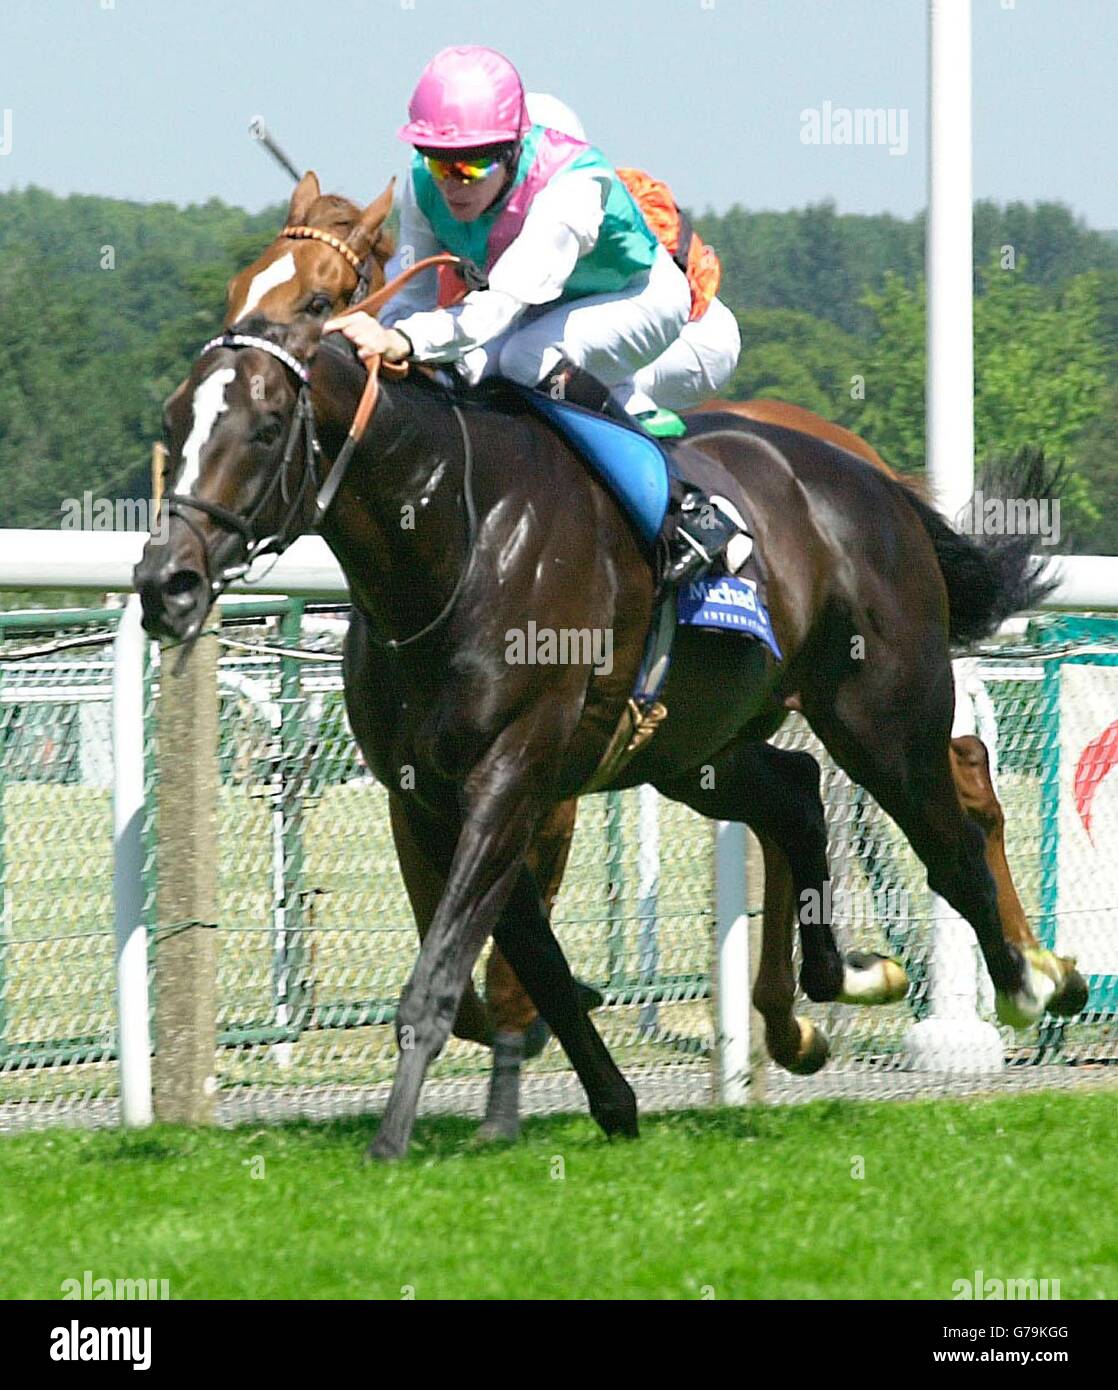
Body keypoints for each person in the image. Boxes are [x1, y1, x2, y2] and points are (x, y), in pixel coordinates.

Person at [325, 45, 743, 584]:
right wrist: (376, 338)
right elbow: (414, 296)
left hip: (643, 299)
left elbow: (494, 309)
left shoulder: (570, 189)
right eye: (437, 161)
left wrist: (402, 341)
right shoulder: (423, 184)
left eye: (471, 164)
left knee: (523, 357)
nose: (452, 182)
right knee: (472, 371)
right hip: (556, 306)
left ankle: (691, 512)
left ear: (512, 151)